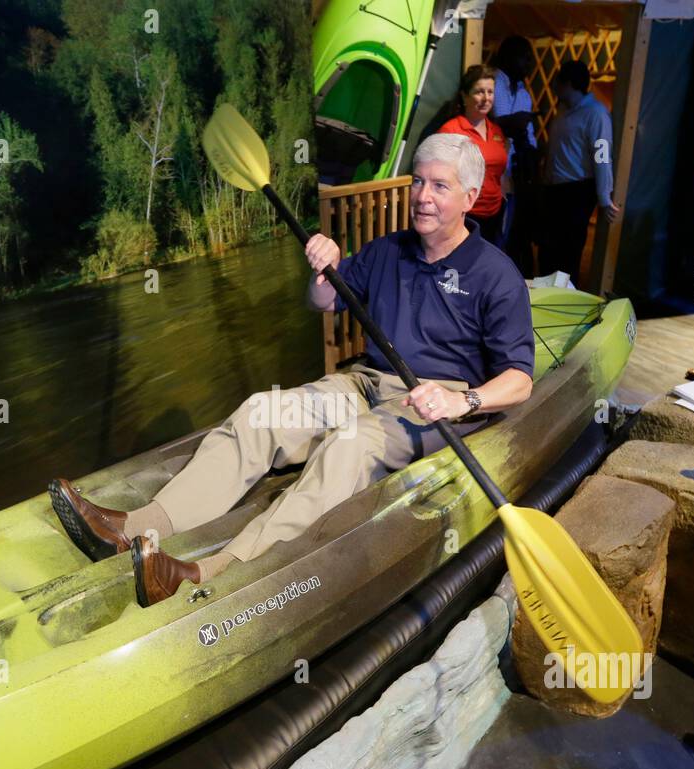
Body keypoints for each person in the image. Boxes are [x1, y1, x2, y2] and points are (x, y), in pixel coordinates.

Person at [48, 134, 536, 607]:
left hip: (434, 402)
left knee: (348, 447)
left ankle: (211, 572)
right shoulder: (390, 249)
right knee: (264, 411)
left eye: (439, 186)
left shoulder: (495, 275)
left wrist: (462, 401)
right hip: (367, 381)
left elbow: (519, 378)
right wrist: (325, 269)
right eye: (418, 182)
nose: (422, 197)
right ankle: (132, 529)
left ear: (471, 197)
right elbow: (322, 301)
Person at [538, 60, 618, 287]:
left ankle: (564, 306)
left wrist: (604, 197)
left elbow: (602, 156)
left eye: (557, 81)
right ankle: (542, 300)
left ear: (568, 83)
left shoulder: (596, 114)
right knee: (547, 250)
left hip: (576, 192)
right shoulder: (563, 112)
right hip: (554, 191)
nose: (553, 86)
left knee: (567, 252)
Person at [436, 66, 509, 247]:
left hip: (495, 213)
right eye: (479, 92)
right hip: (465, 216)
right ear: (464, 95)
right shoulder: (451, 131)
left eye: (490, 92)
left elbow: (498, 171)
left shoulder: (496, 130)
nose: (486, 98)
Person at [489, 36, 540, 276]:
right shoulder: (494, 82)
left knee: (509, 231)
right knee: (492, 230)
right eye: (526, 58)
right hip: (490, 172)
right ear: (510, 57)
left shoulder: (523, 93)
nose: (530, 64)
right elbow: (495, 124)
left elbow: (527, 132)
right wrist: (517, 123)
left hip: (513, 173)